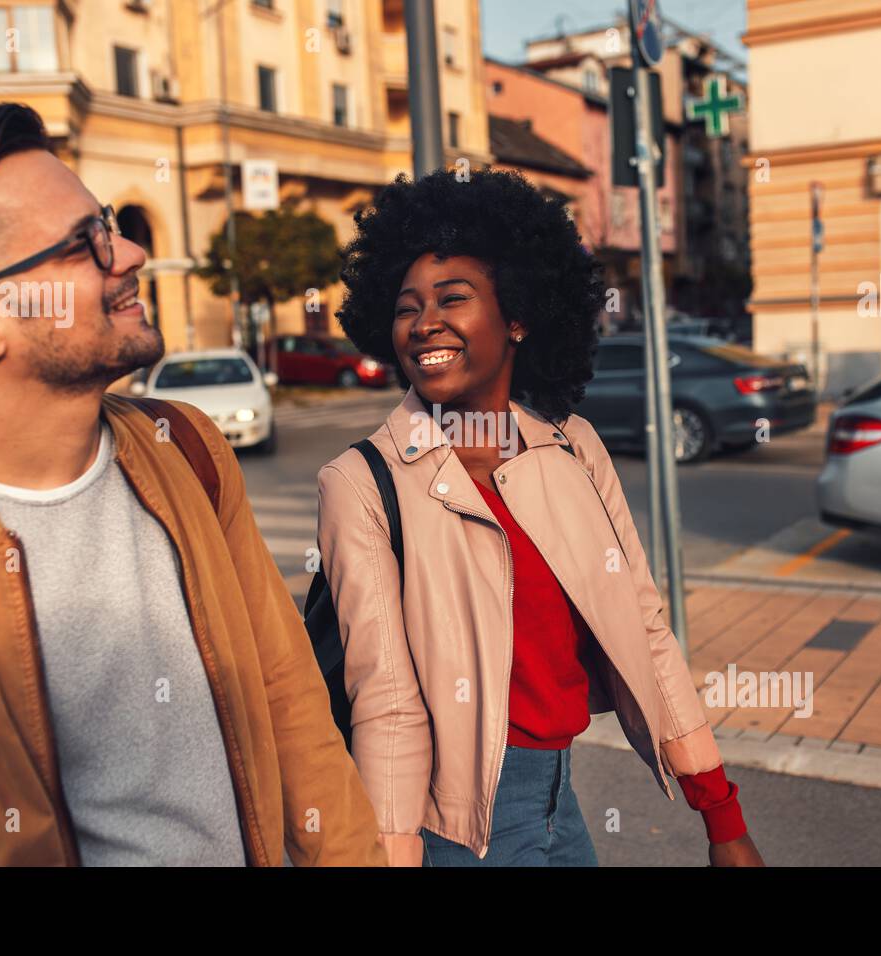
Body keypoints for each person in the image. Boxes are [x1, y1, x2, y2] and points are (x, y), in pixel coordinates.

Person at [0, 103, 385, 867]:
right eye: (86, 243)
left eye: (108, 222)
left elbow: (290, 703)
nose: (132, 253)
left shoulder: (187, 447)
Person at [316, 168, 764, 867]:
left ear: (518, 315)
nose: (425, 322)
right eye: (407, 307)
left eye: (453, 299)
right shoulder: (363, 483)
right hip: (457, 828)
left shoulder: (573, 446)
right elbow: (389, 704)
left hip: (559, 797)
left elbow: (645, 626)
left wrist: (723, 818)